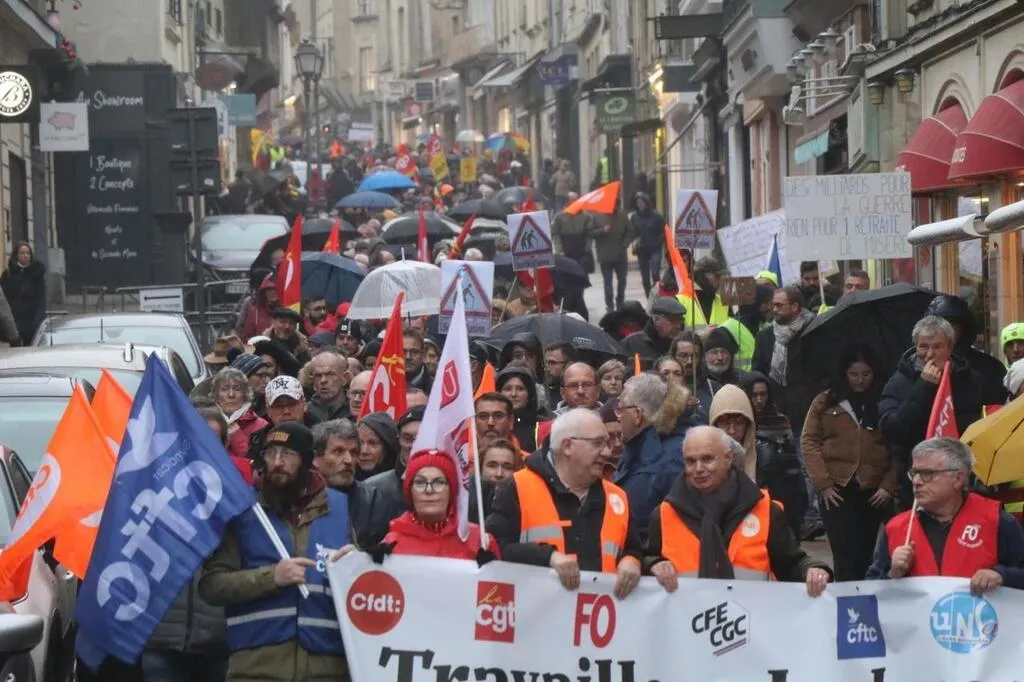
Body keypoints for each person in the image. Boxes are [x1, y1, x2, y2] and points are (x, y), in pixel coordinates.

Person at [199, 423, 351, 681]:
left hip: (326, 669)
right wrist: (272, 577)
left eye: (288, 454)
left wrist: (358, 566)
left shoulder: (338, 507)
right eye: (271, 453)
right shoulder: (244, 509)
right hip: (256, 668)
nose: (277, 463)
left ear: (307, 460)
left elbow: (356, 590)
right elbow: (211, 586)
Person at [644, 426, 831, 595]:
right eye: (691, 461)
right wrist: (652, 564)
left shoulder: (765, 510)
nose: (698, 469)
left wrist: (813, 569)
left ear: (728, 458)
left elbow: (790, 563)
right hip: (687, 626)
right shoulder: (664, 514)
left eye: (707, 459)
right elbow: (646, 561)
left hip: (753, 624)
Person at [487, 409, 645, 599]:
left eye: (607, 443)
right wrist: (548, 557)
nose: (607, 451)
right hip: (535, 616)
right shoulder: (517, 487)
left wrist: (632, 561)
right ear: (567, 446)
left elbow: (633, 549)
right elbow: (494, 548)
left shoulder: (618, 497)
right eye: (598, 443)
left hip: (599, 619)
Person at [866, 438, 1024, 591]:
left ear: (958, 479)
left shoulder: (996, 520)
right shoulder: (896, 527)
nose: (916, 481)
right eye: (914, 473)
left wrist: (1002, 575)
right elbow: (869, 591)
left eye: (927, 473)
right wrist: (892, 574)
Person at [143, 406, 230, 682]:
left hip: (219, 643)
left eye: (212, 439)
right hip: (160, 640)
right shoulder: (148, 495)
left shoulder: (236, 499)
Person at [800, 345, 896, 581]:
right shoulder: (826, 401)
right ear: (844, 373)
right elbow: (809, 441)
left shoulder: (885, 401)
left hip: (873, 491)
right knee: (844, 554)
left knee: (866, 554)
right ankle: (842, 606)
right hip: (837, 490)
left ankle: (862, 607)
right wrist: (823, 484)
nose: (860, 381)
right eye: (854, 375)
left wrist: (888, 485)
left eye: (866, 374)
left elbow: (897, 446)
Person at [879, 316, 984, 495]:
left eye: (937, 347)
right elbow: (891, 429)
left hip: (961, 476)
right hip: (916, 479)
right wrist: (924, 387)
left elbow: (981, 423)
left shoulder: (970, 380)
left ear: (950, 348)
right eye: (923, 347)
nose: (929, 354)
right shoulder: (899, 381)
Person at [335, 450, 499, 561]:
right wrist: (355, 562)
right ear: (409, 491)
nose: (429, 490)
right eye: (420, 483)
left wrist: (491, 570)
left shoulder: (480, 541)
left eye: (439, 482)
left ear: (452, 490)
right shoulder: (391, 544)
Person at [739, 372, 808, 541]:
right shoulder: (739, 423)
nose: (759, 400)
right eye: (754, 395)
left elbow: (792, 461)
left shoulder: (779, 421)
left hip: (783, 491)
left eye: (763, 394)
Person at [614, 374, 673, 541]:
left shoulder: (651, 465)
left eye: (620, 410)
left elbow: (636, 525)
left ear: (637, 414)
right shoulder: (637, 449)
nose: (618, 417)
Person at [752, 285, 815, 439]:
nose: (774, 309)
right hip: (774, 417)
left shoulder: (812, 334)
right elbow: (757, 373)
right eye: (773, 304)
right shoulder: (765, 337)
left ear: (794, 306)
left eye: (779, 305)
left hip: (806, 415)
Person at [212, 368, 266, 471]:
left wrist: (238, 440)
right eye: (224, 389)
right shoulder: (205, 422)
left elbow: (259, 469)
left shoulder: (261, 425)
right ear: (216, 395)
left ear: (245, 394)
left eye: (237, 389)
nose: (231, 395)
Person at [1, 241, 46, 345]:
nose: (25, 256)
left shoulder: (36, 273)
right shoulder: (8, 275)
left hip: (32, 322)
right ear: (16, 255)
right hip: (14, 323)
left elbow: (41, 298)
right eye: (22, 253)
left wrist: (37, 321)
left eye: (28, 253)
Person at [621, 297, 685, 366]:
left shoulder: (684, 345)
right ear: (656, 319)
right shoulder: (631, 343)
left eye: (680, 320)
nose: (678, 325)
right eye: (673, 320)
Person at [591, 207, 633, 313]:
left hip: (620, 255)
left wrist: (625, 244)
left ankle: (620, 301)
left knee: (622, 280)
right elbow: (590, 232)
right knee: (607, 282)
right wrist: (602, 231)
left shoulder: (623, 216)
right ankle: (609, 305)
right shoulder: (597, 217)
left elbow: (630, 231)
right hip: (605, 256)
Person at [629, 192, 665, 297]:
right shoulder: (634, 217)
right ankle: (649, 296)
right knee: (645, 277)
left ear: (646, 202)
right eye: (637, 203)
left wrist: (659, 241)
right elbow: (632, 232)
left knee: (655, 273)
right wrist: (634, 240)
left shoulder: (656, 215)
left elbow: (665, 230)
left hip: (655, 248)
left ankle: (657, 295)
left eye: (641, 202)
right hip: (642, 249)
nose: (639, 205)